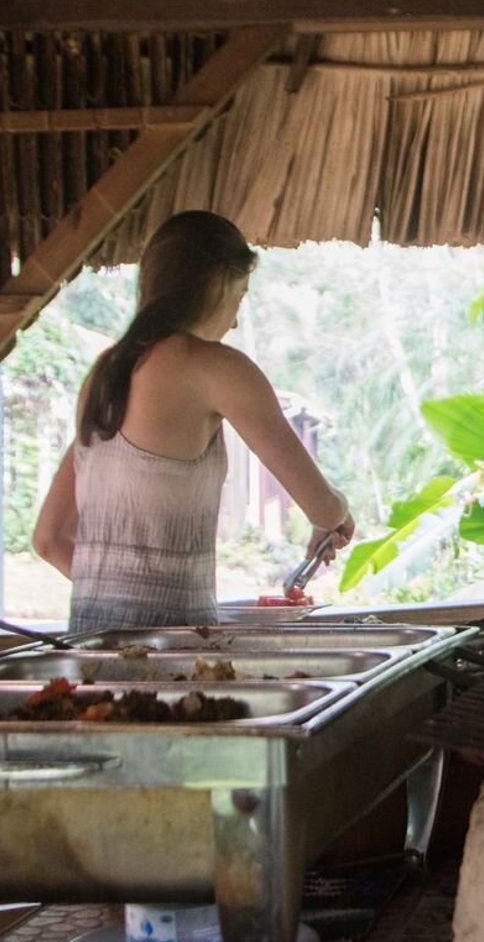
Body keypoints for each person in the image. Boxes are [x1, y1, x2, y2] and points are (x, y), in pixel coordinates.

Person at [34, 211, 353, 630]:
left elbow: (49, 539)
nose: (236, 319)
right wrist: (338, 516)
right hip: (175, 661)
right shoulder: (214, 367)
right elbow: (324, 508)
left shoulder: (104, 373)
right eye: (240, 295)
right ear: (219, 283)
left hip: (90, 654)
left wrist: (123, 603)